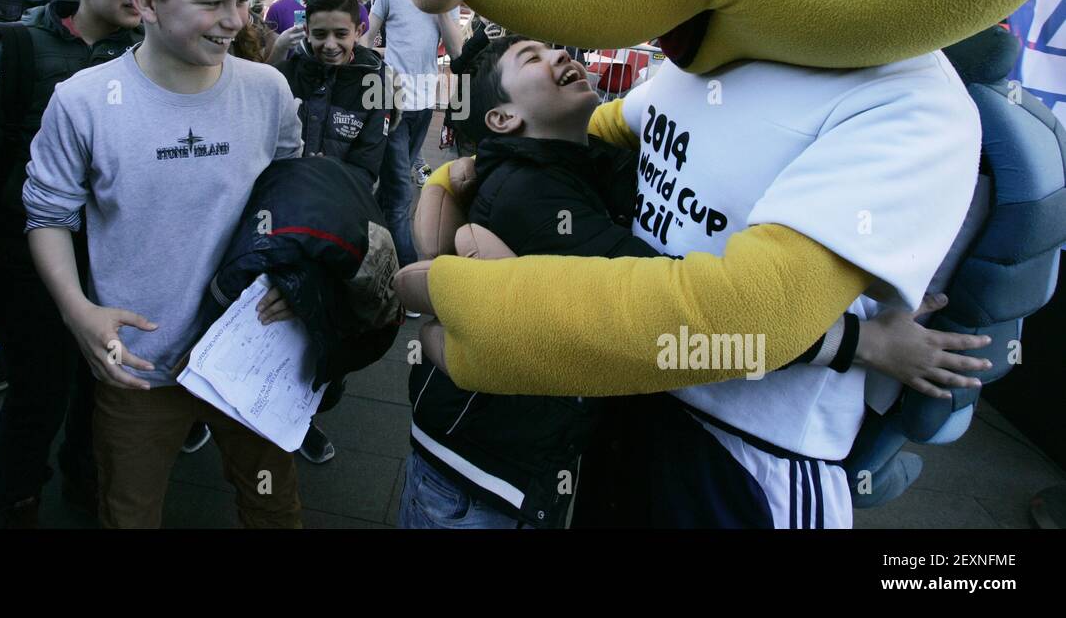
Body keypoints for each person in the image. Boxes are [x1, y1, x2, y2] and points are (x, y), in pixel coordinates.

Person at [401, 37, 995, 528]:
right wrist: (863, 342)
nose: (559, 53)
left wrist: (475, 165)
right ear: (504, 118)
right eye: (532, 58)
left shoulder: (909, 97)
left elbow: (608, 130)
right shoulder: (540, 188)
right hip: (493, 467)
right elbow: (681, 305)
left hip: (727, 443)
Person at [23, 0, 306, 528]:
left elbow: (290, 193)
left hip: (251, 350)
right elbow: (47, 216)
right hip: (140, 363)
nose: (236, 20)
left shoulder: (267, 90)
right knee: (129, 510)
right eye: (212, 2)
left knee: (273, 504)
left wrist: (297, 278)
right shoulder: (82, 102)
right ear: (146, 1)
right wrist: (78, 311)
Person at [0, 0, 140, 527]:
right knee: (38, 387)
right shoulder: (21, 49)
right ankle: (17, 494)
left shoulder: (151, 54)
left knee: (103, 382)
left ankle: (85, 476)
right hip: (29, 253)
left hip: (118, 252)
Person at [275, 0, 399, 465]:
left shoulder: (377, 82)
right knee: (267, 314)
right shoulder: (285, 72)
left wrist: (321, 187)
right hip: (278, 211)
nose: (329, 44)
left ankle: (307, 417)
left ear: (358, 31)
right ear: (305, 29)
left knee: (327, 324)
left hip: (337, 220)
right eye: (319, 33)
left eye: (340, 34)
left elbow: (368, 166)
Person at [361, 0, 463, 276]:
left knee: (391, 189)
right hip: (391, 103)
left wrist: (440, 7)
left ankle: (365, 241)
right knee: (402, 193)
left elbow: (457, 50)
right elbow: (368, 37)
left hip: (424, 104)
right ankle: (408, 277)